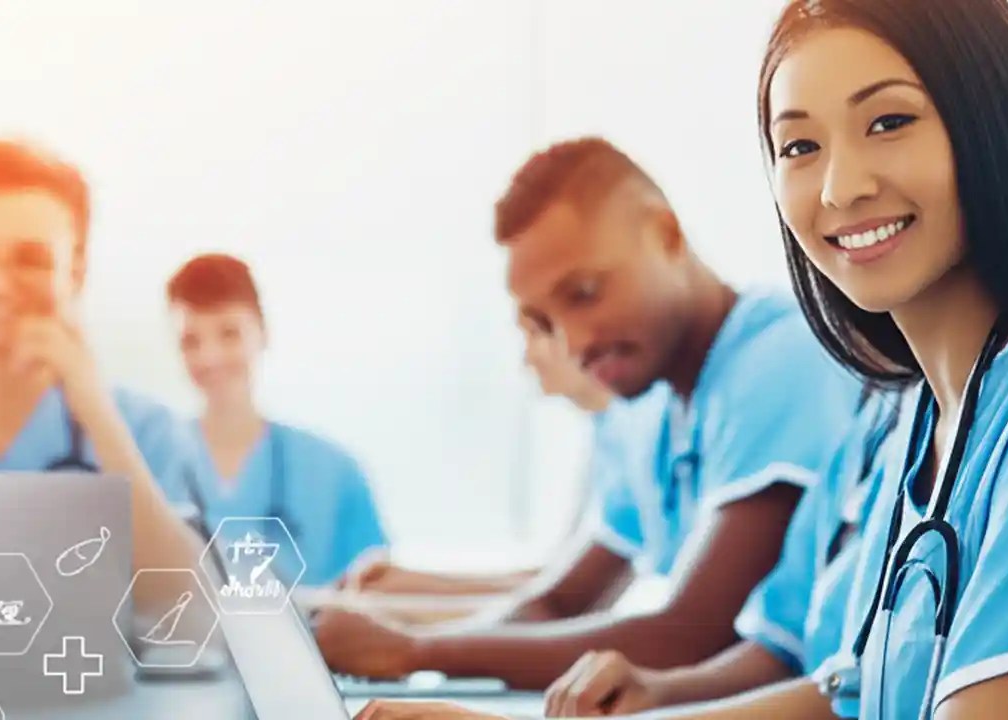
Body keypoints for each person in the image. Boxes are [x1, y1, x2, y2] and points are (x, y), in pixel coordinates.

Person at [358, 0, 1008, 717]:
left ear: (987, 124)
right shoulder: (918, 422)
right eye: (800, 146)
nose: (841, 187)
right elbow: (837, 696)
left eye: (888, 122)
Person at [317, 136, 863, 691]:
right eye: (545, 323)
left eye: (583, 293)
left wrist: (415, 650)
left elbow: (688, 635)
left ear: (666, 235)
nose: (573, 342)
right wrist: (400, 659)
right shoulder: (647, 412)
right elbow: (558, 602)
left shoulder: (782, 358)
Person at [0, 139, 203, 606]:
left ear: (77, 272)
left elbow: (185, 611)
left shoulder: (146, 430)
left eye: (30, 260)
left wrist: (95, 411)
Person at [542, 387, 902, 717]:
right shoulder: (868, 431)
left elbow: (874, 689)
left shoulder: (785, 379)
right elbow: (781, 649)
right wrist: (659, 691)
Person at [336, 313, 615, 603]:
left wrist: (408, 611)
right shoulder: (606, 435)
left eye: (537, 333)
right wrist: (418, 583)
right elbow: (561, 582)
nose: (526, 359)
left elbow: (577, 599)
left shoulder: (633, 438)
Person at [166, 253, 388, 586]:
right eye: (190, 341)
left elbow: (378, 596)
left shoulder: (335, 474)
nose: (209, 357)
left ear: (264, 332)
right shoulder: (150, 464)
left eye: (229, 334)